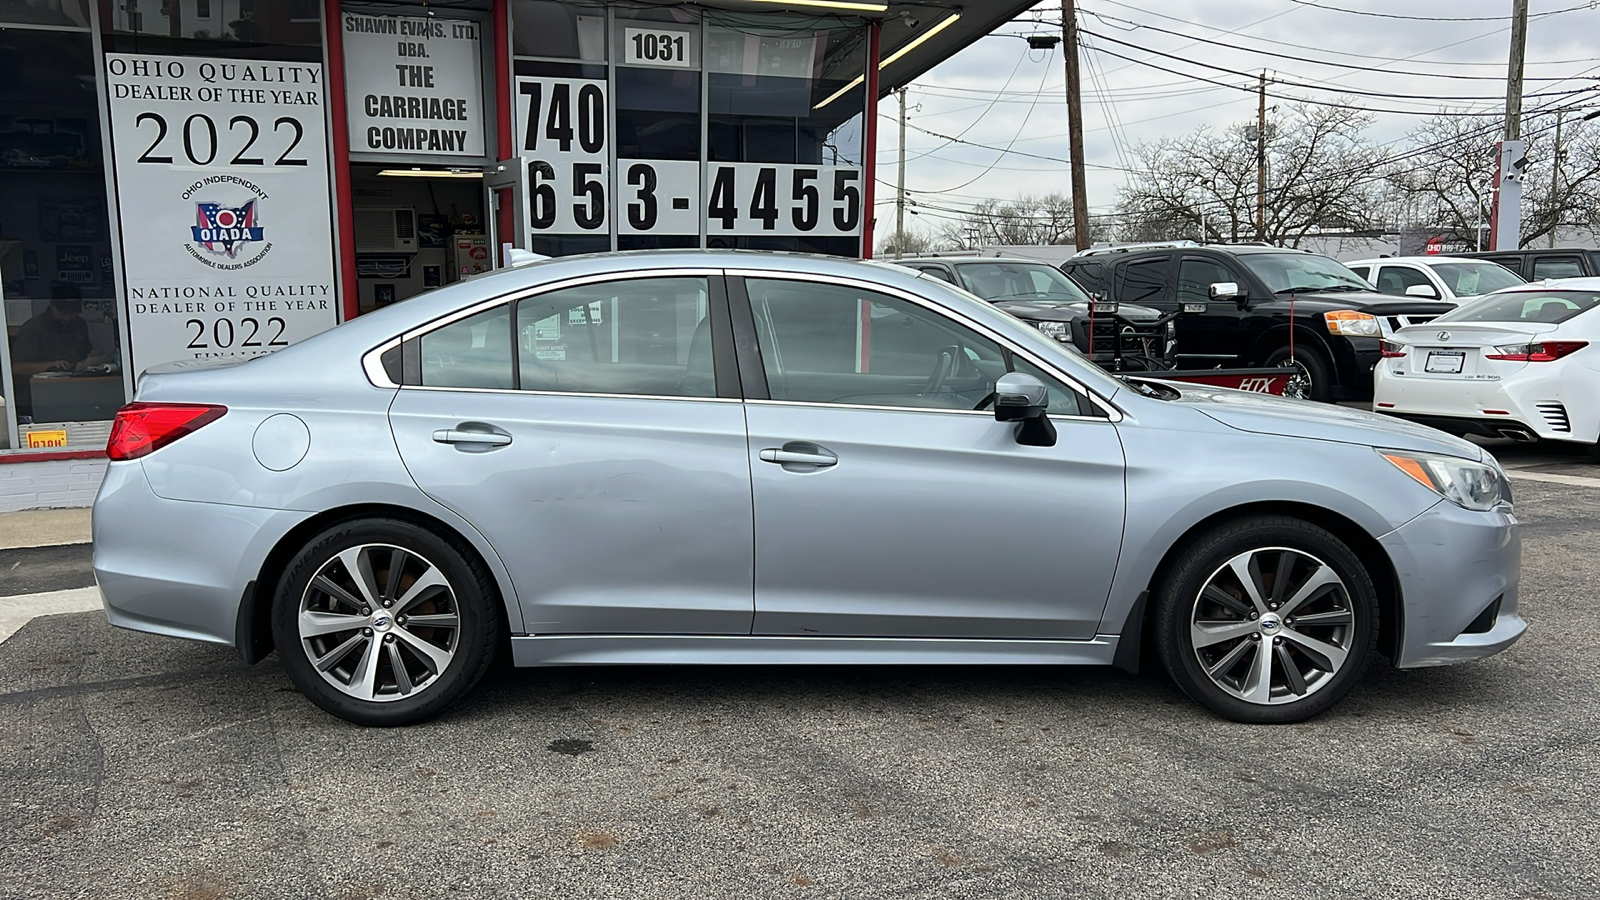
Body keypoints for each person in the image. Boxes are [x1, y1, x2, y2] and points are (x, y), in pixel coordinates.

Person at [10, 288, 92, 420]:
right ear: (52, 306)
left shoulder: (79, 324)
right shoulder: (33, 328)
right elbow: (15, 368)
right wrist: (49, 365)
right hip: (37, 398)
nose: (67, 317)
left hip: (76, 392)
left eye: (72, 313)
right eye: (63, 312)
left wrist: (94, 358)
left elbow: (87, 352)